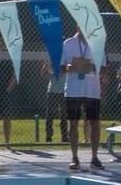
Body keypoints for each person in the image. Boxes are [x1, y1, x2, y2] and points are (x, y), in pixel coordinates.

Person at [61, 28, 108, 171]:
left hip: (92, 90)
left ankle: (94, 157)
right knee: (73, 123)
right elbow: (60, 68)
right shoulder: (68, 43)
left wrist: (91, 66)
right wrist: (68, 67)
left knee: (95, 123)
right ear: (77, 28)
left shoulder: (97, 43)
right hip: (73, 89)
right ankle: (74, 157)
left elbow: (104, 69)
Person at [41, 60, 68, 144]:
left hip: (64, 91)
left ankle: (64, 138)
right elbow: (43, 74)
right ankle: (48, 138)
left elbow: (65, 72)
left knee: (64, 115)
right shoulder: (51, 60)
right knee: (50, 115)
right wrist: (47, 68)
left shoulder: (65, 60)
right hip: (52, 91)